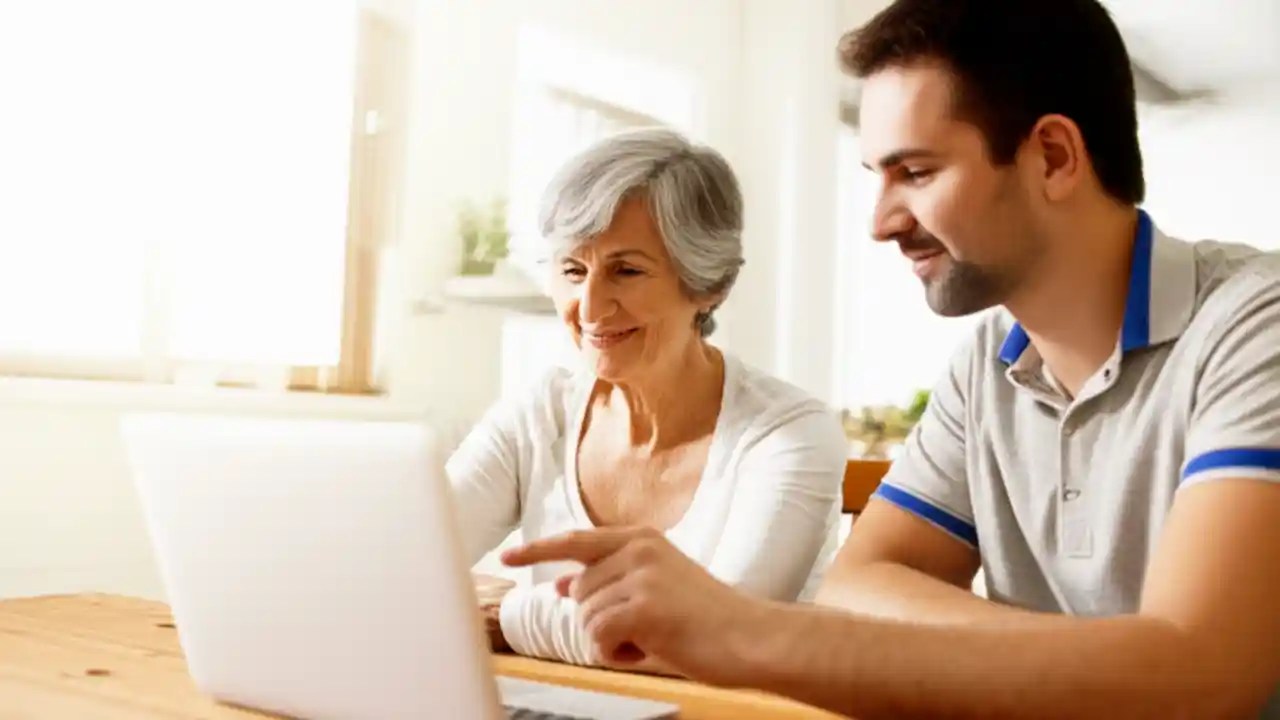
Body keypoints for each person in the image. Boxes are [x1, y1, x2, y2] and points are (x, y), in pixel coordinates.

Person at [501, 1, 1280, 716]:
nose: (879, 221)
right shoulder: (986, 369)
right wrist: (1099, 660)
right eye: (875, 176)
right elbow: (857, 584)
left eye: (917, 172)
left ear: (1051, 155)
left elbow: (1200, 675)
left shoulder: (1254, 324)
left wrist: (743, 633)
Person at [447, 128, 847, 669]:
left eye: (626, 271)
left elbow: (720, 635)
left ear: (709, 285)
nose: (589, 308)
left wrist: (509, 614)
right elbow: (406, 567)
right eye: (573, 270)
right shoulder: (540, 412)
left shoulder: (790, 432)